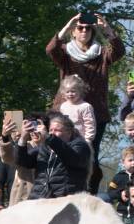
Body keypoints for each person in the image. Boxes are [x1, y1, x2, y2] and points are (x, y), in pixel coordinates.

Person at [46, 12, 125, 193]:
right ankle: (58, 191)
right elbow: (50, 50)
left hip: (94, 115)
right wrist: (67, 26)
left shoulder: (102, 54)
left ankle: (88, 193)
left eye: (88, 28)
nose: (83, 31)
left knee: (90, 157)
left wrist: (108, 31)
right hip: (65, 115)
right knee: (59, 153)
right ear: (74, 32)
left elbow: (119, 52)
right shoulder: (65, 53)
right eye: (79, 28)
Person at [16, 113, 92, 199]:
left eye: (57, 130)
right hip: (39, 198)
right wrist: (23, 139)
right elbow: (24, 162)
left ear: (69, 132)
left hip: (65, 200)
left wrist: (49, 138)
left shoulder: (80, 146)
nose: (52, 133)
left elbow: (72, 158)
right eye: (50, 130)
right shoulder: (45, 147)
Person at [0, 114, 34, 206]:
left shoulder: (35, 147)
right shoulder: (11, 151)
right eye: (14, 131)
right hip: (20, 200)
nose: (17, 133)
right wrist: (5, 137)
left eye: (20, 130)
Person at [103, 147, 134, 224]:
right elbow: (110, 193)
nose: (133, 163)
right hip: (121, 214)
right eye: (130, 160)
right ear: (123, 162)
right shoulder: (118, 177)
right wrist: (120, 194)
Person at [55, 74, 97, 145]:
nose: (70, 94)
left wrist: (88, 140)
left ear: (80, 91)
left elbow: (90, 124)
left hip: (81, 140)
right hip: (66, 140)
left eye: (73, 91)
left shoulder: (85, 106)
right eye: (67, 92)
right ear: (63, 93)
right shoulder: (63, 106)